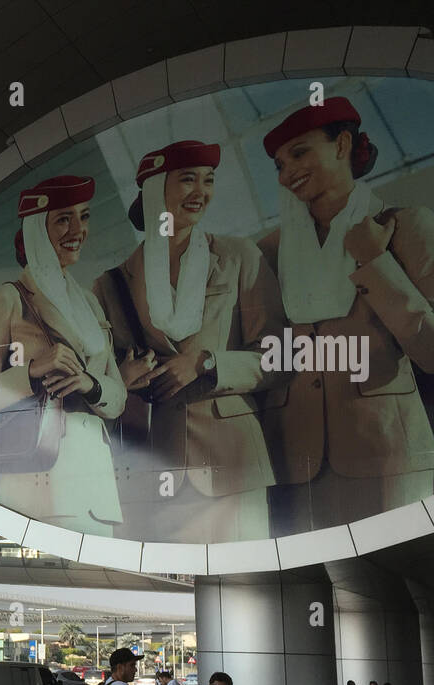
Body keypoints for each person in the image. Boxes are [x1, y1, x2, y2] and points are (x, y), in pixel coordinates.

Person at [258, 98, 434, 534]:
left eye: (299, 153)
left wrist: (375, 261)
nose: (287, 172)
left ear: (342, 145)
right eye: (279, 164)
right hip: (294, 461)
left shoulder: (406, 225)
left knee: (395, 571)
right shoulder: (271, 251)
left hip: (386, 454)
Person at [94, 140, 289, 543]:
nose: (201, 192)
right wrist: (125, 378)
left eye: (209, 180)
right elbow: (101, 379)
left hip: (234, 460)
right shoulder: (112, 284)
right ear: (155, 190)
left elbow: (279, 357)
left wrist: (206, 362)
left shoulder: (239, 257)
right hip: (155, 461)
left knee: (244, 572)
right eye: (187, 179)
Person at [0, 174, 158, 535]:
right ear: (37, 231)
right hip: (40, 484)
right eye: (64, 219)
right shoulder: (10, 297)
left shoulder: (89, 304)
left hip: (97, 488)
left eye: (84, 216)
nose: (78, 230)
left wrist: (90, 384)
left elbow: (117, 399)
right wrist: (31, 371)